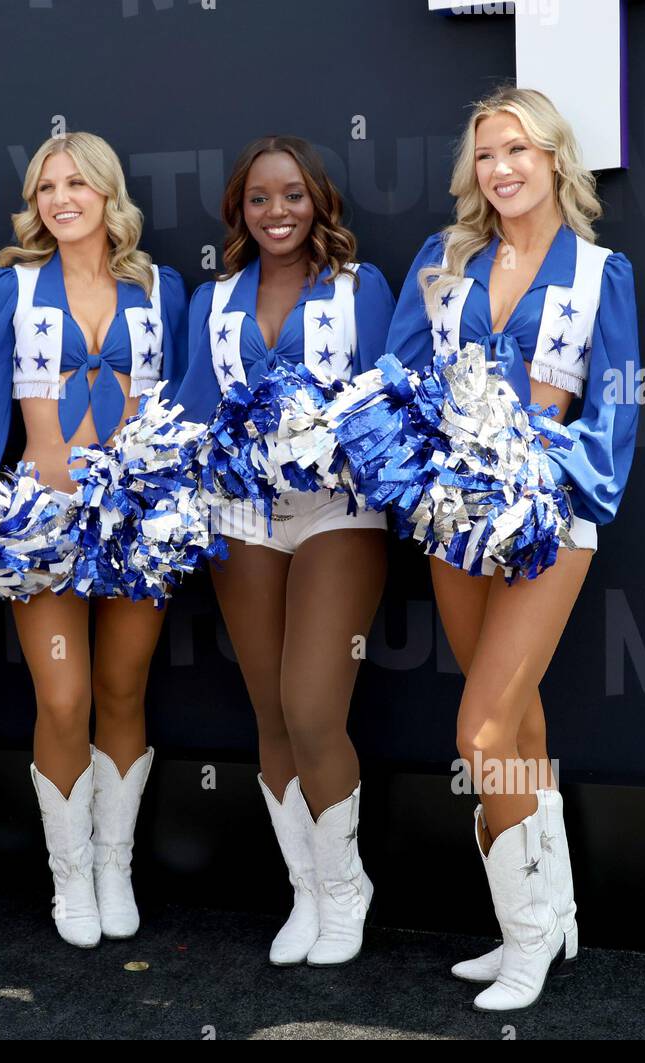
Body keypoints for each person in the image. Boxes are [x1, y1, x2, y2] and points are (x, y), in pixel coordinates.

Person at [385, 87, 641, 1010]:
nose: (502, 168)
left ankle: (523, 940)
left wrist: (545, 463)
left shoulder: (601, 274)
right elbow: (397, 374)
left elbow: (615, 410)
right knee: (519, 724)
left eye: (520, 150)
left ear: (557, 162)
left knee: (480, 734)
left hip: (548, 516)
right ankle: (553, 913)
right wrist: (430, 463)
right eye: (487, 154)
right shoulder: (444, 260)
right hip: (456, 518)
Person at [0, 132, 187, 948]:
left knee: (123, 694)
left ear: (109, 193)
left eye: (78, 183)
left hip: (136, 522)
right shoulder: (13, 285)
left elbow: (187, 399)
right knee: (63, 697)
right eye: (48, 187)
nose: (61, 198)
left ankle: (115, 866)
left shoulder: (162, 286)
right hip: (42, 517)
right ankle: (70, 875)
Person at [174, 136, 395, 967]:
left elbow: (389, 396)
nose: (277, 213)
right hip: (243, 515)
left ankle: (347, 891)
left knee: (310, 705)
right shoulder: (213, 298)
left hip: (338, 509)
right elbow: (196, 405)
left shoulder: (359, 287)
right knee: (269, 709)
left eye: (293, 196)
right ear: (240, 209)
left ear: (320, 202)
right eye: (260, 199)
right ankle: (305, 890)